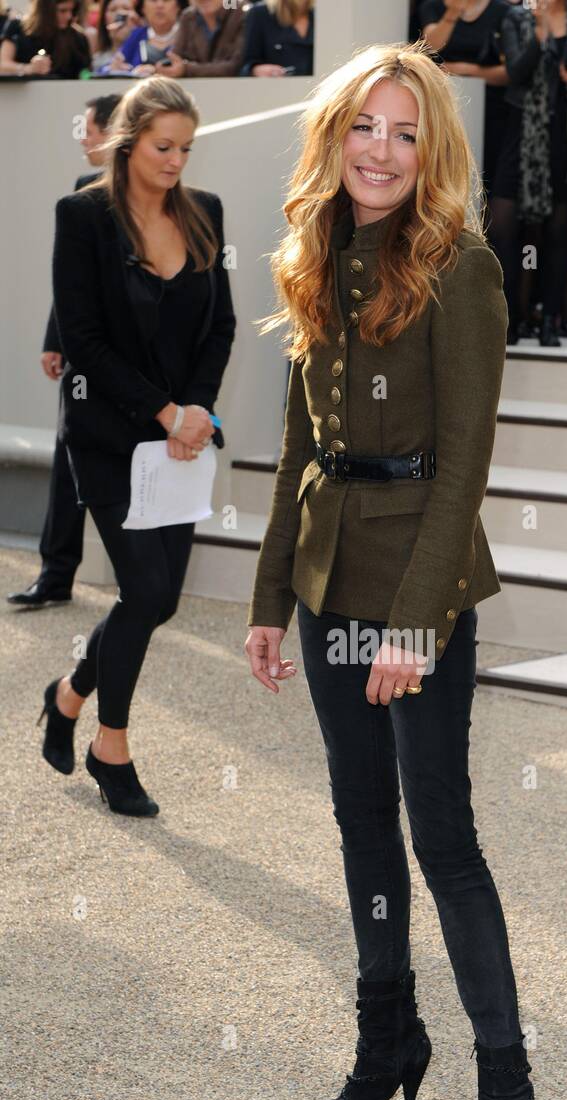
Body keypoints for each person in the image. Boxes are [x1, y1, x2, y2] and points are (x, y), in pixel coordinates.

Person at [244, 39, 542, 1100]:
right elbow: (299, 452)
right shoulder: (317, 252)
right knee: (359, 823)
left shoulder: (459, 268)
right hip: (327, 583)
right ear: (332, 135)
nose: (380, 150)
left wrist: (415, 623)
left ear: (433, 153)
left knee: (445, 844)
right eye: (363, 127)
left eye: (405, 133)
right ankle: (387, 1041)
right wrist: (271, 599)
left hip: (420, 586)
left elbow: (465, 464)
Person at [40, 76, 235, 815]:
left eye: (186, 147)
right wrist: (162, 411)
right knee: (147, 591)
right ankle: (109, 746)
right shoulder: (83, 215)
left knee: (159, 601)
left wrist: (196, 410)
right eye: (163, 146)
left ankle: (66, 696)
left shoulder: (205, 213)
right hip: (110, 437)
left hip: (180, 440)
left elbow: (220, 326)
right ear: (129, 139)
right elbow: (82, 338)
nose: (176, 160)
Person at [8, 94, 123, 612]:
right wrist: (55, 339)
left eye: (90, 128)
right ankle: (55, 575)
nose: (82, 136)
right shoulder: (83, 193)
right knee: (67, 463)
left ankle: (144, 579)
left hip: (141, 366)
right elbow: (70, 282)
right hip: (84, 356)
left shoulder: (175, 199)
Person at [491, 0, 567, 345]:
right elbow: (516, 73)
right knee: (505, 229)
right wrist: (540, 34)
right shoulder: (517, 17)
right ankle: (511, 319)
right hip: (523, 136)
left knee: (560, 234)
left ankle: (551, 319)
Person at [416, 0, 509, 198]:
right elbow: (430, 48)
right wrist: (452, 12)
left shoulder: (504, 11)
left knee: (486, 176)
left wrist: (466, 70)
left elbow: (510, 73)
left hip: (491, 109)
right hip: (441, 103)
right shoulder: (433, 6)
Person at [151, 0, 247, 77]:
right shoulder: (188, 16)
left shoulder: (240, 10)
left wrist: (186, 69)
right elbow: (175, 60)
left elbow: (237, 66)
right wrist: (159, 68)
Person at [0, 0, 91, 77]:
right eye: (62, 11)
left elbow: (85, 74)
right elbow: (2, 65)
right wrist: (28, 68)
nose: (69, 16)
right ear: (46, 10)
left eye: (72, 10)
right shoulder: (19, 28)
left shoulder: (78, 38)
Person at [108, 0, 185, 73]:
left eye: (166, 0)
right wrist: (122, 68)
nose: (159, 5)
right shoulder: (136, 36)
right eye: (153, 0)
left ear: (178, 6)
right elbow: (111, 67)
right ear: (143, 8)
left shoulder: (188, 34)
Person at [239, 0, 313, 76]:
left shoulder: (318, 15)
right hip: (277, 85)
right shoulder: (260, 13)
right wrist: (256, 70)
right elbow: (246, 65)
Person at [88, 0, 140, 73]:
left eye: (126, 8)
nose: (120, 14)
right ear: (104, 18)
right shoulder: (98, 60)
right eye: (113, 10)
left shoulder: (145, 53)